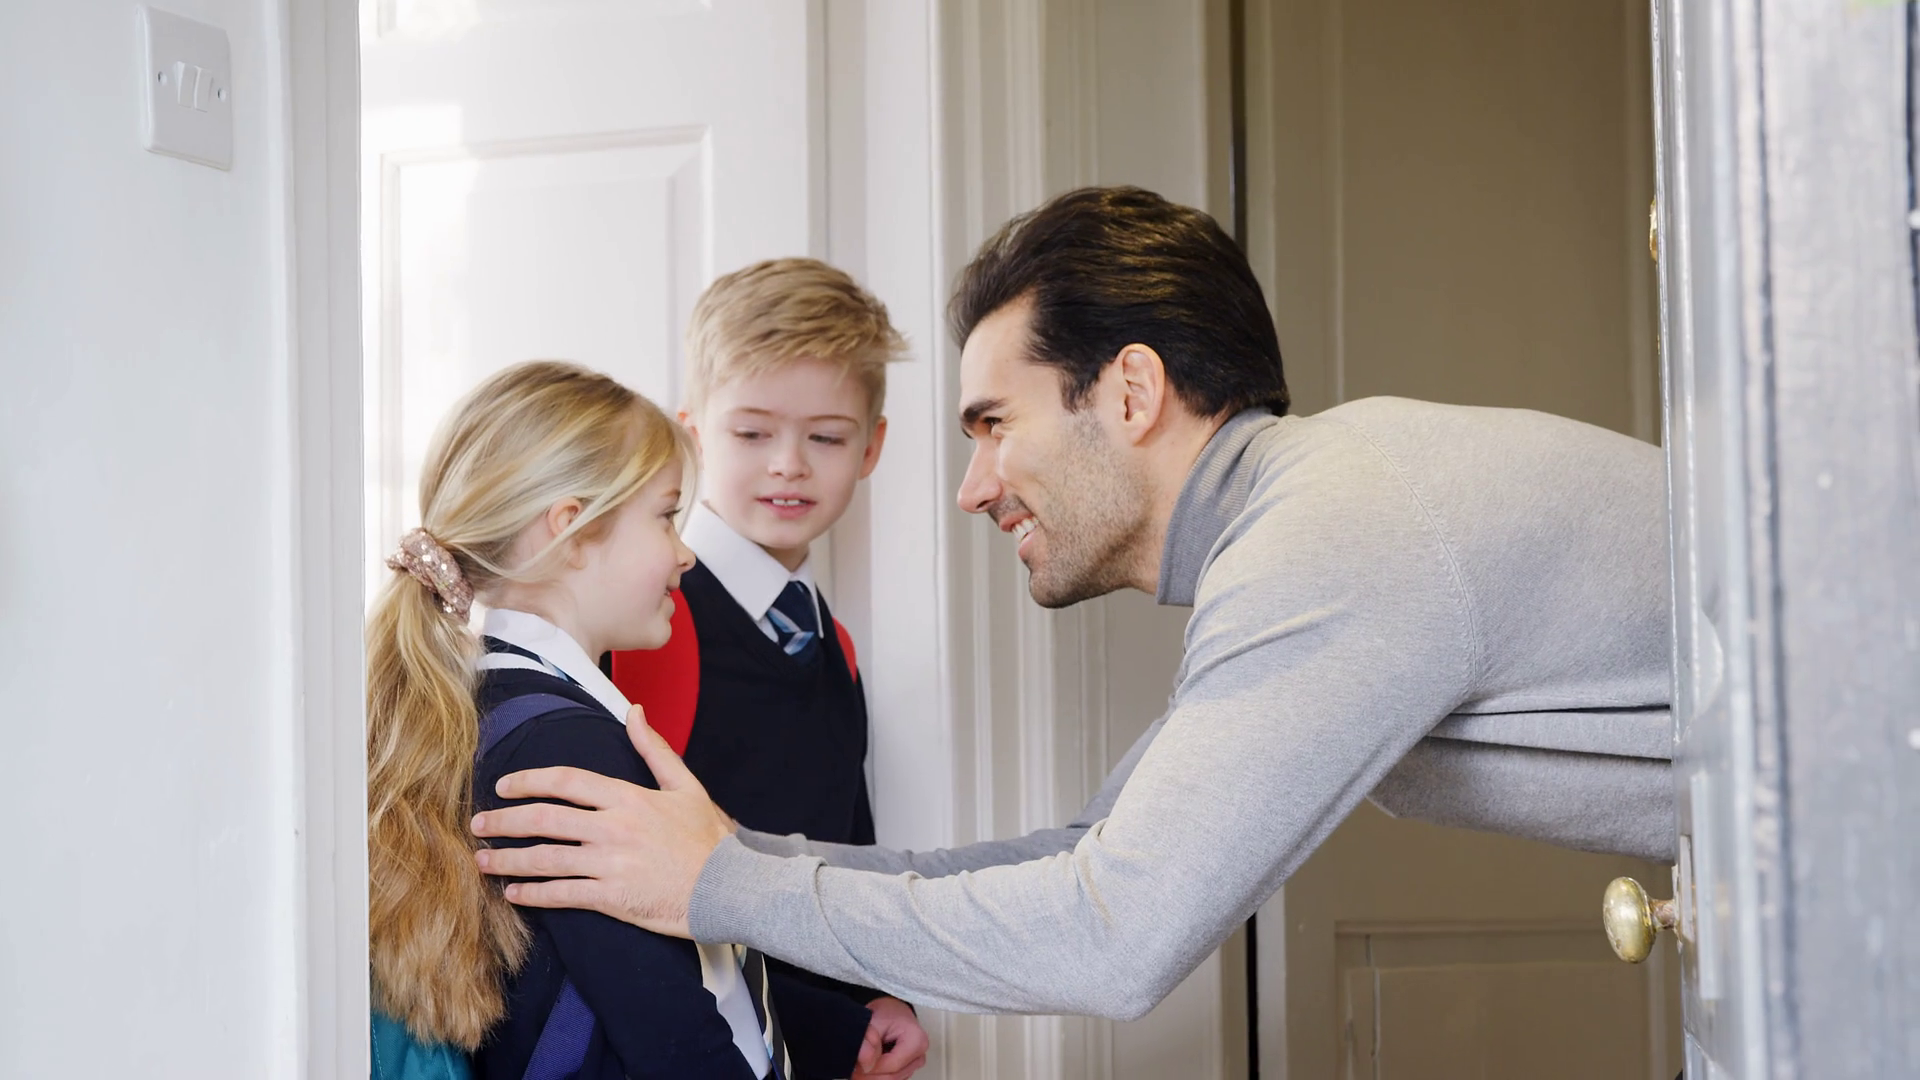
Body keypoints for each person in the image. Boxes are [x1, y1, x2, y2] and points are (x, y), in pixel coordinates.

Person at [466, 188, 1678, 1022]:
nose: (971, 486)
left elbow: (1111, 933)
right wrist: (736, 858)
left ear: (1132, 391)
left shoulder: (1338, 536)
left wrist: (721, 888)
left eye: (994, 424)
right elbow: (1091, 854)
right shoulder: (1311, 526)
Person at [367, 361, 896, 1078]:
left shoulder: (506, 710)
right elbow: (669, 1034)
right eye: (665, 515)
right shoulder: (561, 747)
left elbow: (634, 972)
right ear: (574, 532)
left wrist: (831, 1030)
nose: (683, 554)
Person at [607, 258, 927, 1075]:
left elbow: (846, 853)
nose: (789, 463)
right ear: (694, 433)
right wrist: (820, 1025)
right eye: (752, 433)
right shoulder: (651, 629)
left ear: (871, 447)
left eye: (825, 436)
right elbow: (627, 888)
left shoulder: (832, 644)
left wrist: (880, 996)